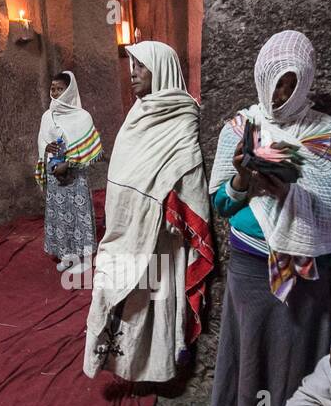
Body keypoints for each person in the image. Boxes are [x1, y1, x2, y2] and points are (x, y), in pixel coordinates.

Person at [207, 30, 331, 406]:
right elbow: (220, 204)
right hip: (249, 264)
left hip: (302, 264)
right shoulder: (242, 127)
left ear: (305, 83)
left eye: (291, 83)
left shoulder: (322, 132)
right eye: (275, 82)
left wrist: (289, 192)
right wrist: (243, 183)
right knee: (251, 347)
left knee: (292, 353)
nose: (281, 93)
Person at [84, 41, 214, 383]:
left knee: (155, 304)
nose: (133, 73)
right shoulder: (136, 115)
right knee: (123, 298)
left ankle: (156, 371)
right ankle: (122, 366)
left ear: (163, 69)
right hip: (125, 230)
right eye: (132, 66)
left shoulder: (182, 116)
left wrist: (168, 206)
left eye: (141, 67)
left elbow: (189, 173)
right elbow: (125, 174)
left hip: (161, 234)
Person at [36, 71, 102, 274]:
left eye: (60, 89)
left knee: (77, 215)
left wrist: (70, 163)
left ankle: (83, 258)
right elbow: (43, 143)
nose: (55, 93)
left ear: (69, 90)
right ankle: (66, 255)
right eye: (53, 89)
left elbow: (89, 148)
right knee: (60, 215)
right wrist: (48, 153)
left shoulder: (82, 117)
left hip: (75, 177)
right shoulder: (48, 116)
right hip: (55, 174)